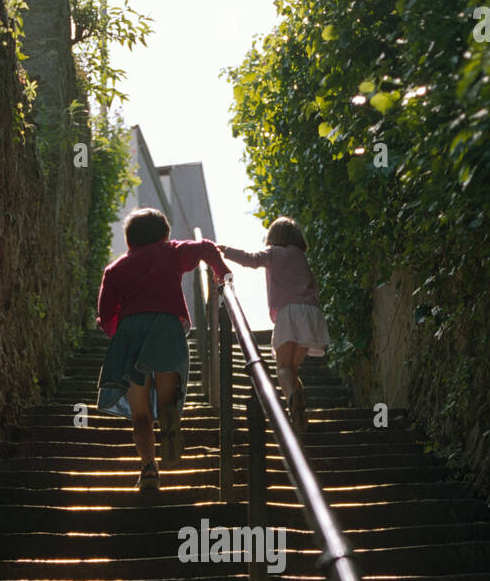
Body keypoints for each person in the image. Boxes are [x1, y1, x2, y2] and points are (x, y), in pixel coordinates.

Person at [96, 208, 229, 491]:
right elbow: (205, 247)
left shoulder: (115, 269)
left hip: (131, 335)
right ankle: (170, 423)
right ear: (164, 235)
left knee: (140, 413)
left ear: (130, 239)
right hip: (167, 329)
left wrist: (117, 335)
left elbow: (105, 316)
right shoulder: (168, 252)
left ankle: (148, 468)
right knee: (169, 400)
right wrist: (222, 273)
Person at [218, 217, 330, 435]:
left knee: (282, 368)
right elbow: (314, 286)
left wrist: (225, 250)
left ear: (274, 235)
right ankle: (300, 413)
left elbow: (251, 259)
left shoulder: (274, 253)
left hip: (289, 313)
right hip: (311, 313)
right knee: (293, 368)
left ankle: (292, 400)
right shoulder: (300, 256)